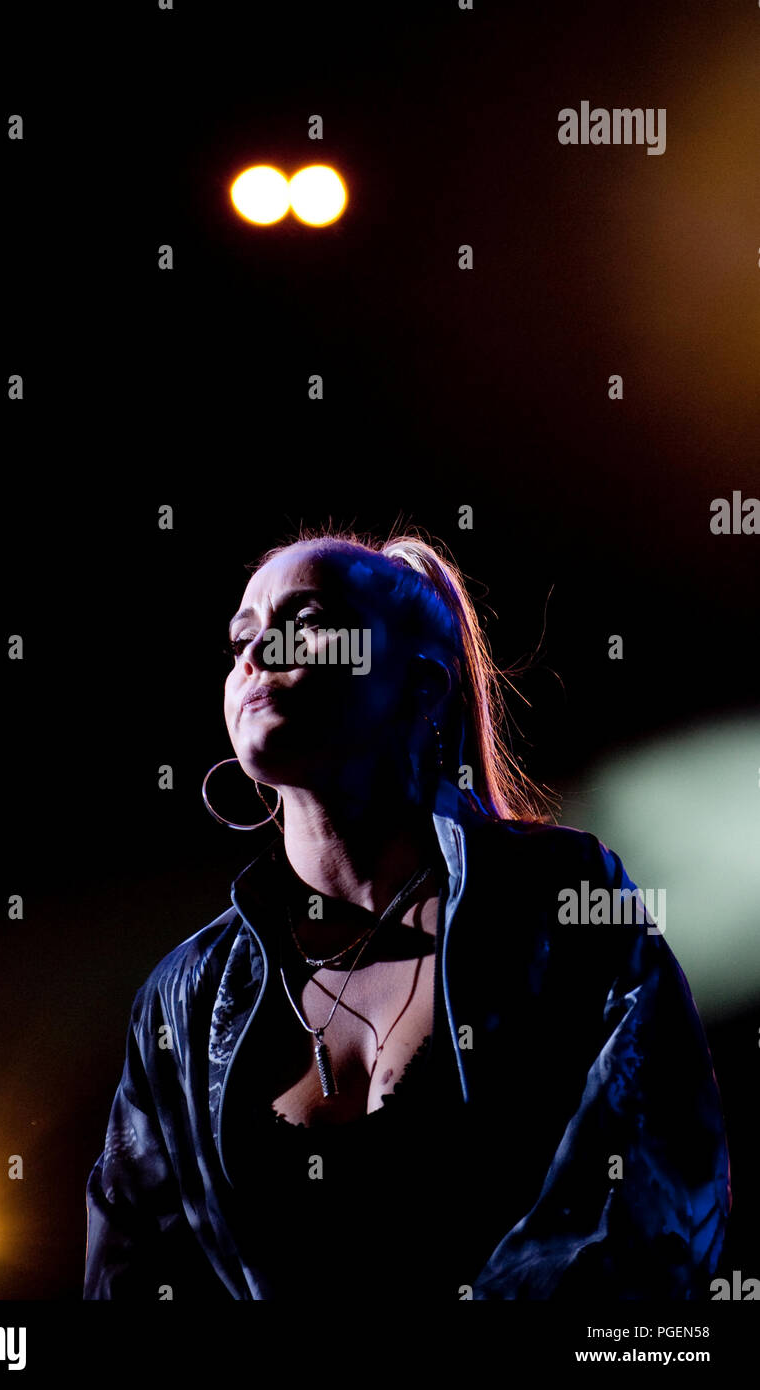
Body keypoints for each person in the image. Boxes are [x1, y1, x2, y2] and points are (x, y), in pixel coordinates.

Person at [83, 528, 731, 1301]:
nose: (255, 654)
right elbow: (130, 1270)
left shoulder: (561, 896)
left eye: (307, 621)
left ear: (422, 686)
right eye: (240, 639)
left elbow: (655, 1190)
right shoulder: (184, 995)